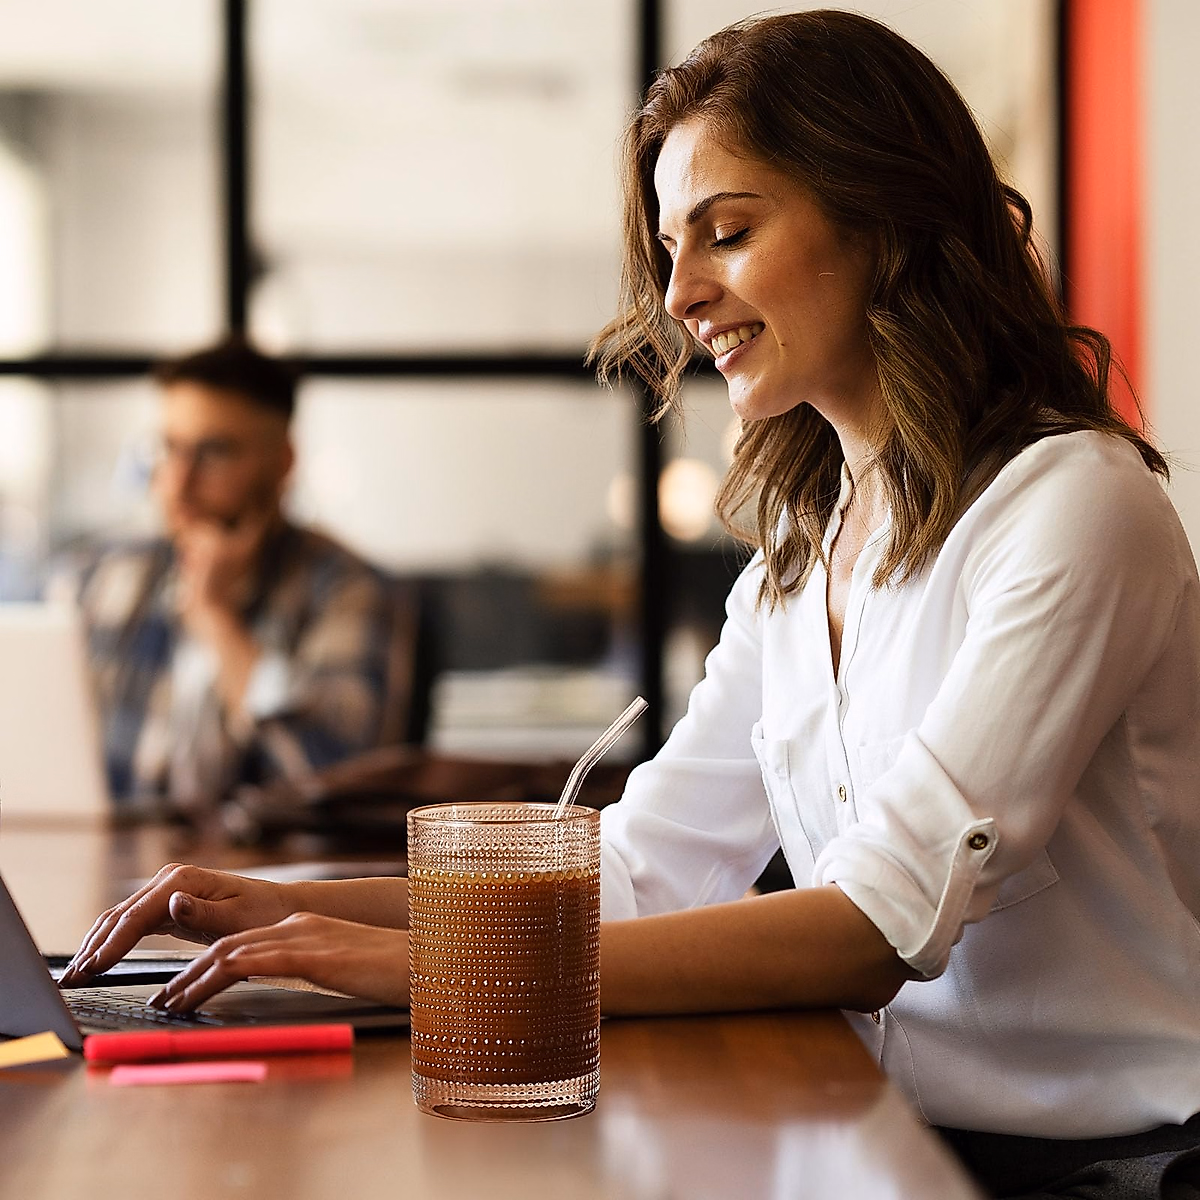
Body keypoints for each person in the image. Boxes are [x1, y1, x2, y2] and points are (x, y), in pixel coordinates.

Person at [62, 12, 1200, 1195]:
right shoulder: (797, 560)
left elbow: (874, 928)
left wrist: (423, 967)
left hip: (1105, 1162)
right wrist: (298, 909)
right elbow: (651, 865)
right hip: (887, 1130)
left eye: (729, 233)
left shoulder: (1073, 509)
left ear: (885, 221)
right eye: (669, 248)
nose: (683, 293)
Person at [55, 339, 399, 816]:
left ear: (283, 463)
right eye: (169, 448)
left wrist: (213, 616)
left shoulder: (348, 590)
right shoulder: (97, 580)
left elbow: (337, 783)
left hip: (270, 884)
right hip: (114, 874)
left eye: (213, 452)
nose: (178, 481)